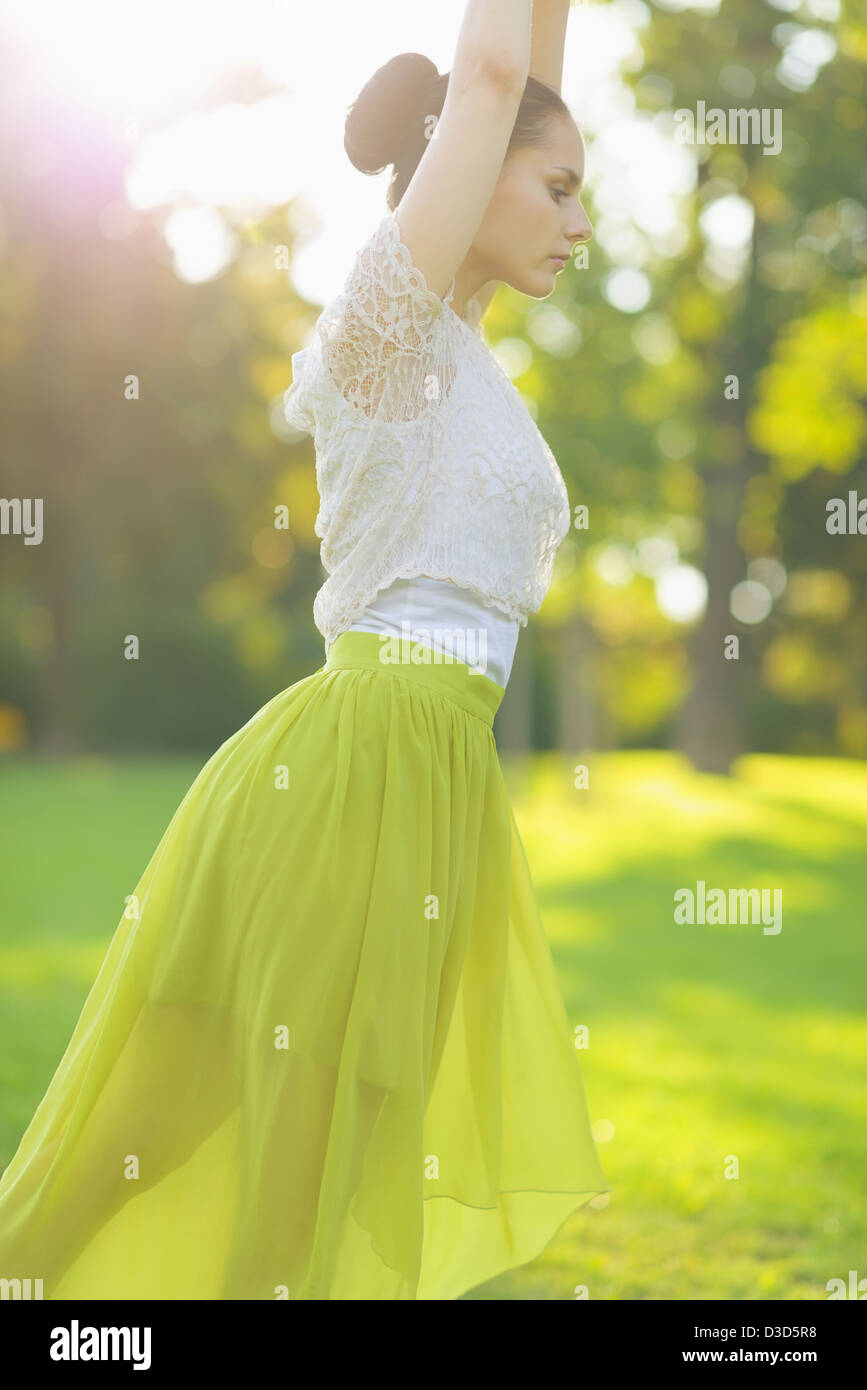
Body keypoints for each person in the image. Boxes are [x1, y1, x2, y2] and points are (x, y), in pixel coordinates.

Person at [0, 0, 608, 1301]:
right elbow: (498, 66)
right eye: (558, 186)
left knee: (326, 1166)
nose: (579, 221)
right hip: (349, 775)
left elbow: (524, 63)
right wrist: (508, 61)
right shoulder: (382, 334)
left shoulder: (464, 356)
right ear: (471, 146)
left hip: (436, 786)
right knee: (158, 1142)